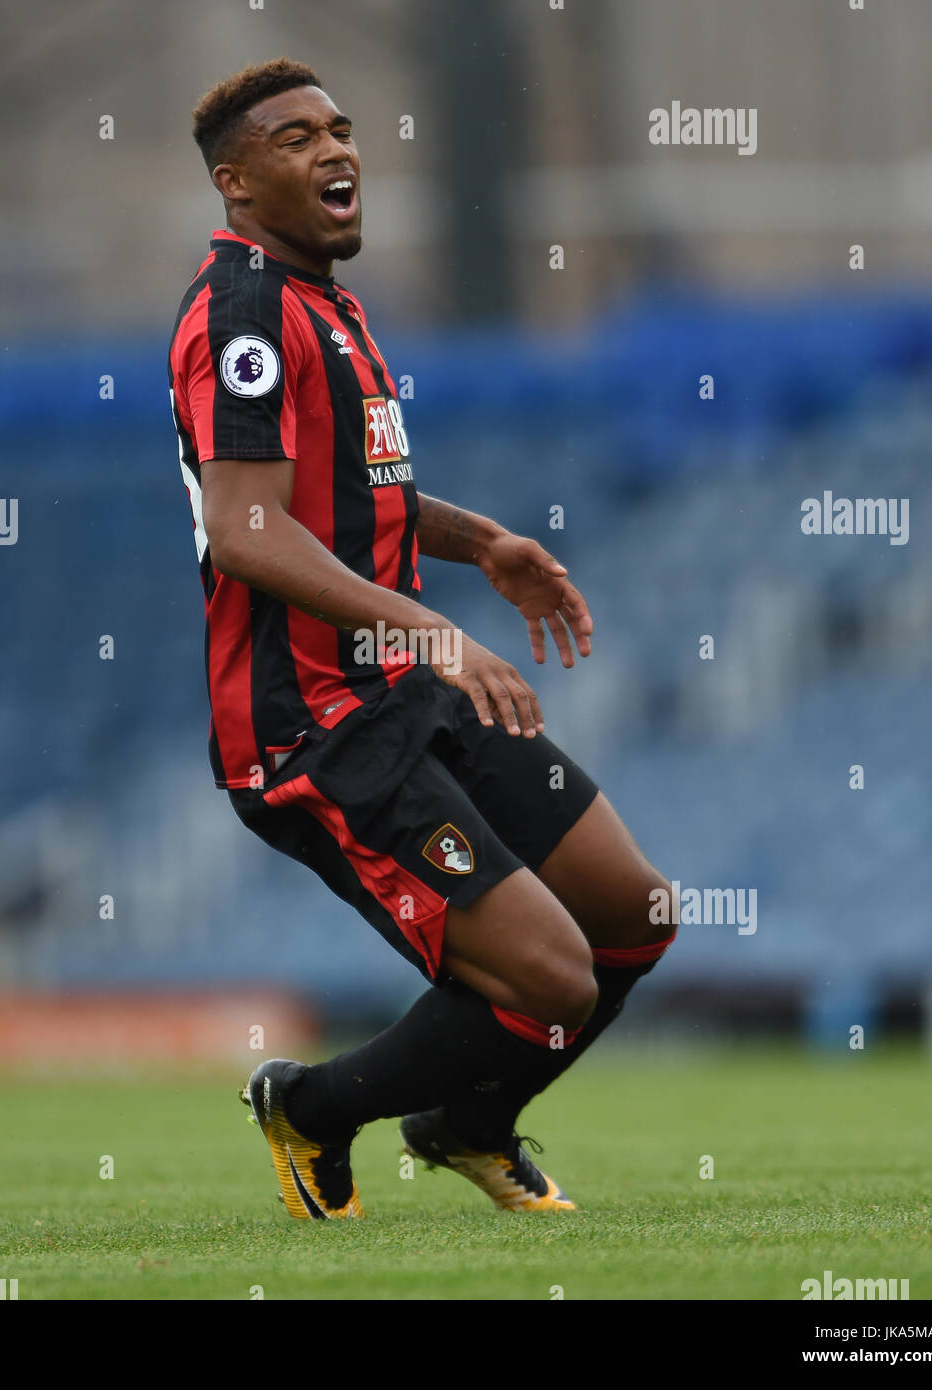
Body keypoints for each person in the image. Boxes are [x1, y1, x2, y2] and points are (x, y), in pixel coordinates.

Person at [167, 58, 674, 1219]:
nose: (336, 150)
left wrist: (480, 541)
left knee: (634, 913)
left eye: (340, 129)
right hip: (312, 724)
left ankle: (468, 1127)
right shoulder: (241, 314)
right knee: (550, 980)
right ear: (235, 182)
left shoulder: (324, 303)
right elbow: (245, 529)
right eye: (297, 139)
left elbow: (353, 493)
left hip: (399, 689)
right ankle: (309, 1105)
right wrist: (437, 631)